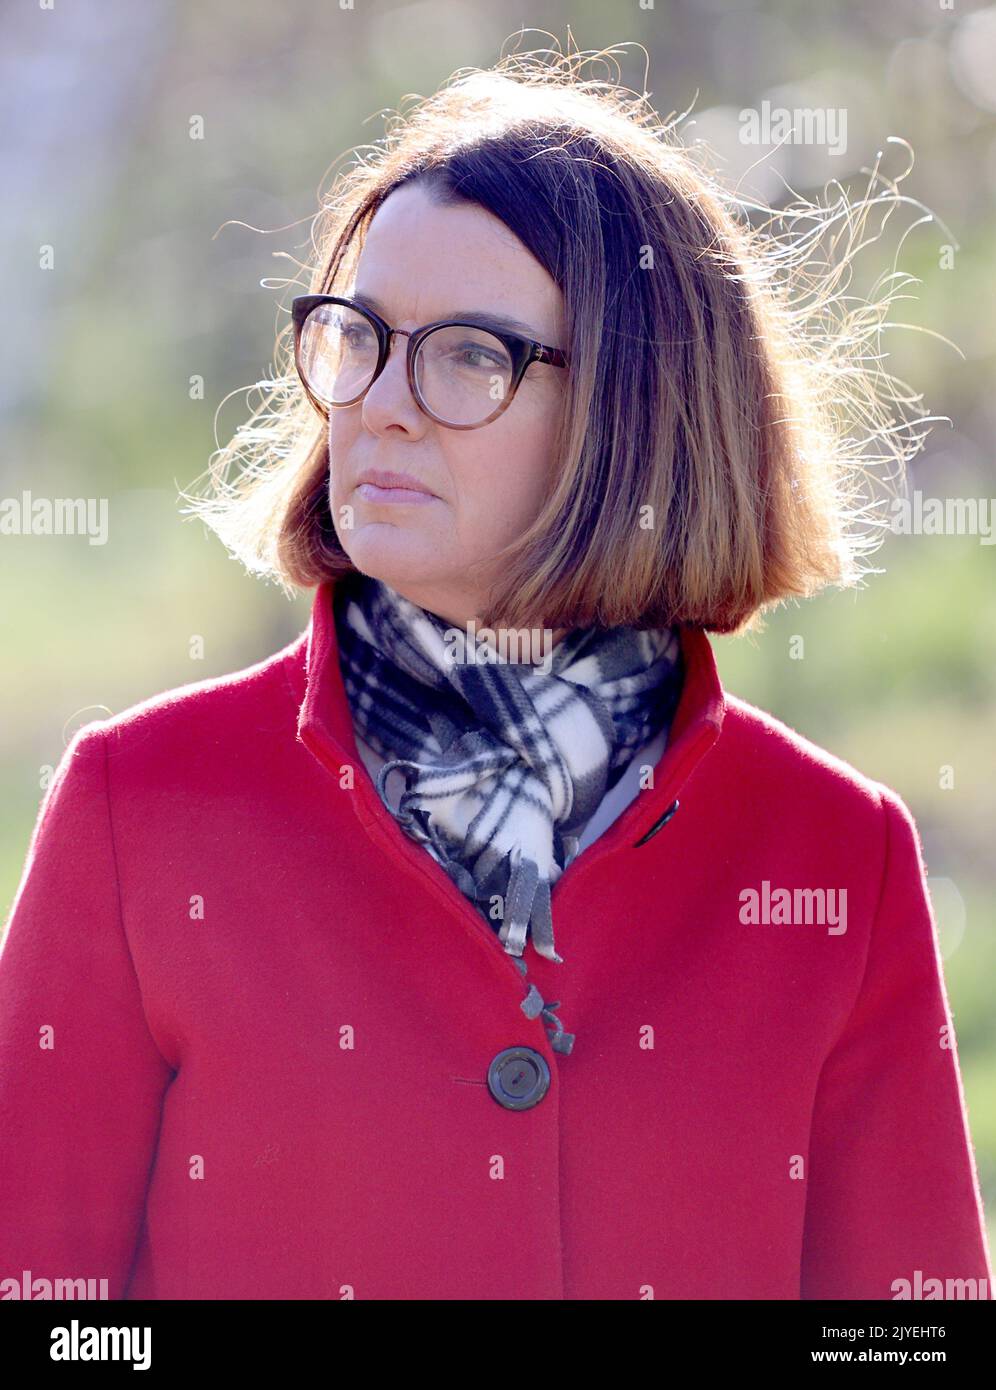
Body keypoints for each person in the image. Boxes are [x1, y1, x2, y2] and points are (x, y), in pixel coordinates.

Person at [1, 48, 991, 1301]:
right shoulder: (138, 806)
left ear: (639, 408)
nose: (381, 404)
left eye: (468, 354)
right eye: (358, 337)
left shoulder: (837, 859)